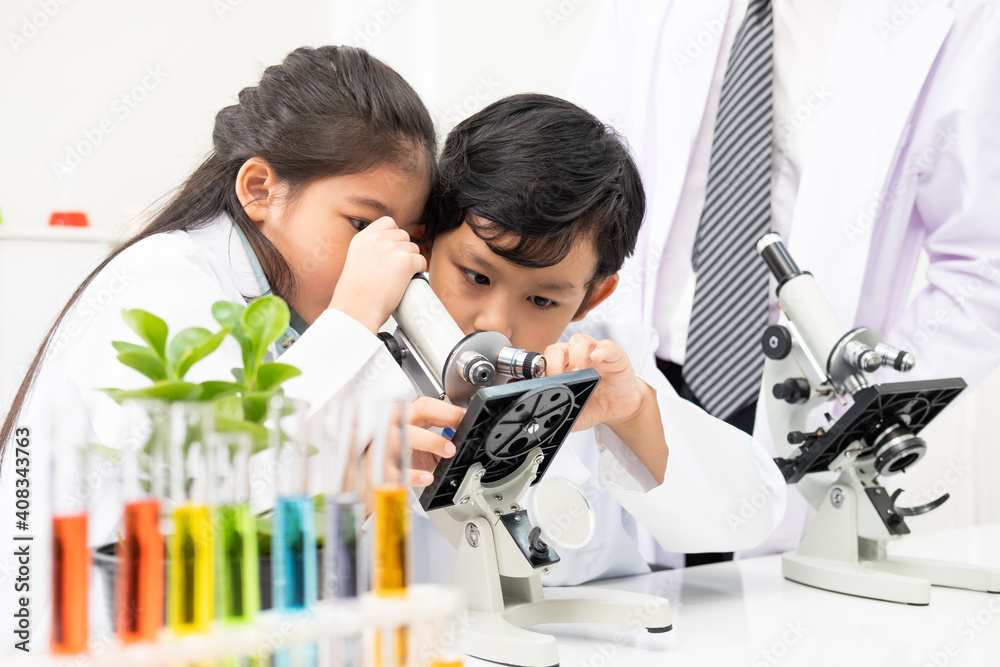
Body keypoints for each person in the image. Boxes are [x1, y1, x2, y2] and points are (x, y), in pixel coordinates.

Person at [0, 45, 464, 651]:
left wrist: (364, 479)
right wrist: (351, 321)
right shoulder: (167, 278)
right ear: (259, 188)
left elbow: (257, 529)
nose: (387, 257)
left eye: (405, 237)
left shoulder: (291, 315)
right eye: (360, 225)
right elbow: (199, 483)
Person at [569, 0, 1000, 564]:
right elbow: (573, 181)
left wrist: (864, 405)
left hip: (808, 398)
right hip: (642, 376)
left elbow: (983, 266)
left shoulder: (954, 17)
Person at [409, 93, 786, 587]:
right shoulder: (359, 357)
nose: (496, 323)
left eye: (542, 301)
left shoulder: (602, 365)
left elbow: (746, 517)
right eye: (476, 277)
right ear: (425, 242)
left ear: (591, 298)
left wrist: (634, 414)